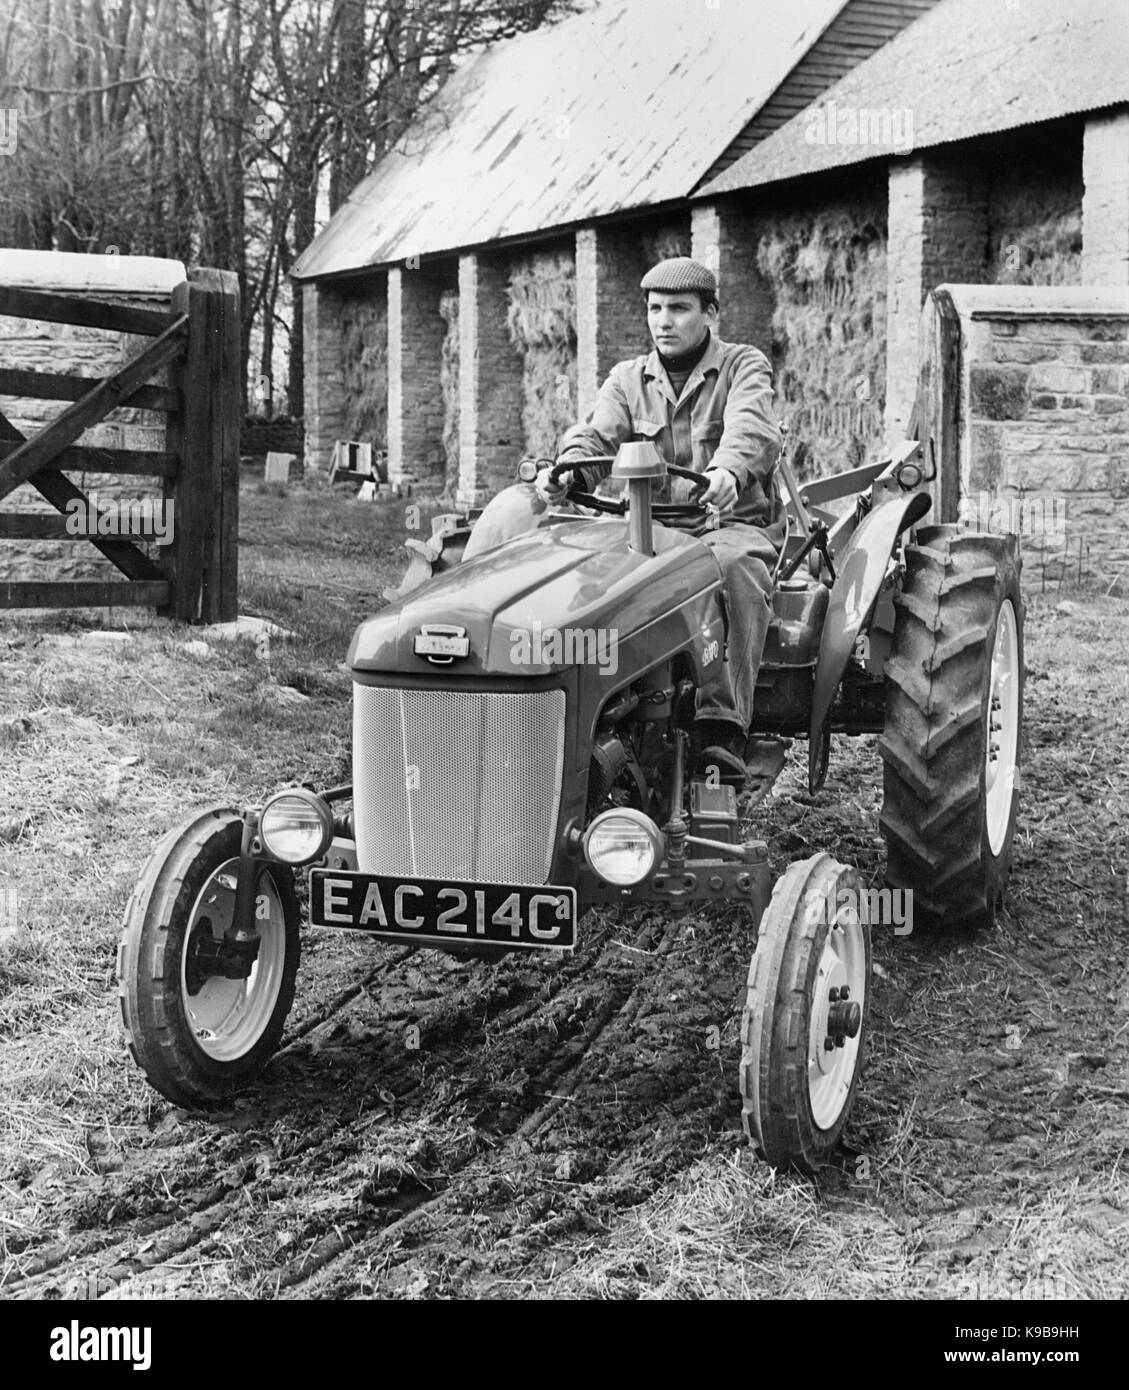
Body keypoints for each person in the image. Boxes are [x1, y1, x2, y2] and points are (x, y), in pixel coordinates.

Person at [537, 256, 784, 781]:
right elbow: (596, 435)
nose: (663, 321)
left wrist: (726, 471)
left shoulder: (744, 366)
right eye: (654, 309)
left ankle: (722, 730)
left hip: (727, 524)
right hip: (648, 529)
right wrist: (570, 472)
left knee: (735, 567)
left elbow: (751, 429)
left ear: (710, 312)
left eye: (678, 308)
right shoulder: (629, 379)